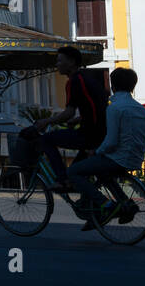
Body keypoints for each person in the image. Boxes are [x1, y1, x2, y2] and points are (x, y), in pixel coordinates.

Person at [67, 67, 145, 230]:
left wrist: (96, 151)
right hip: (135, 158)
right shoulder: (141, 109)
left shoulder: (114, 108)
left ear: (113, 86)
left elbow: (111, 141)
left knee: (73, 171)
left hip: (117, 158)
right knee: (102, 173)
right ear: (133, 86)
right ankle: (125, 202)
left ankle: (106, 205)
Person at [30, 46, 108, 189]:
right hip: (101, 132)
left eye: (60, 61)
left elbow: (69, 113)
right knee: (77, 171)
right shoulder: (87, 78)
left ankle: (62, 180)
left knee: (46, 140)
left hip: (90, 134)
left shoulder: (74, 82)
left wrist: (45, 121)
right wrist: (78, 120)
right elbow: (95, 108)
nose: (57, 64)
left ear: (71, 62)